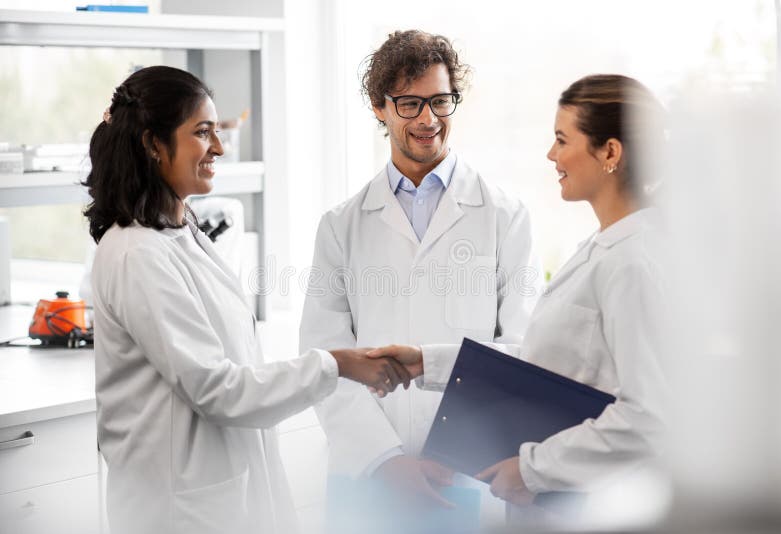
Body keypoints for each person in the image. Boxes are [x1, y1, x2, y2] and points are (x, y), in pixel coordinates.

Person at [84, 65, 411, 534]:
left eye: (217, 132)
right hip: (176, 508)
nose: (218, 147)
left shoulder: (181, 231)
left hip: (223, 489)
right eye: (202, 132)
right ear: (153, 144)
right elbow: (217, 389)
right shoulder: (137, 253)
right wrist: (336, 364)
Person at [368, 74, 669, 526]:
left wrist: (532, 470)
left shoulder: (632, 264)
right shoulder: (603, 247)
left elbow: (649, 416)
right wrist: (424, 363)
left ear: (610, 152)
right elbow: (541, 368)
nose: (551, 155)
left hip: (585, 510)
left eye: (562, 140)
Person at [299, 29, 541, 505]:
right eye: (410, 103)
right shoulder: (340, 225)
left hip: (468, 475)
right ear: (379, 106)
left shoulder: (505, 216)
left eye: (441, 101)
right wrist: (384, 459)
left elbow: (524, 350)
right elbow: (323, 357)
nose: (429, 118)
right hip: (366, 476)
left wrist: (460, 452)